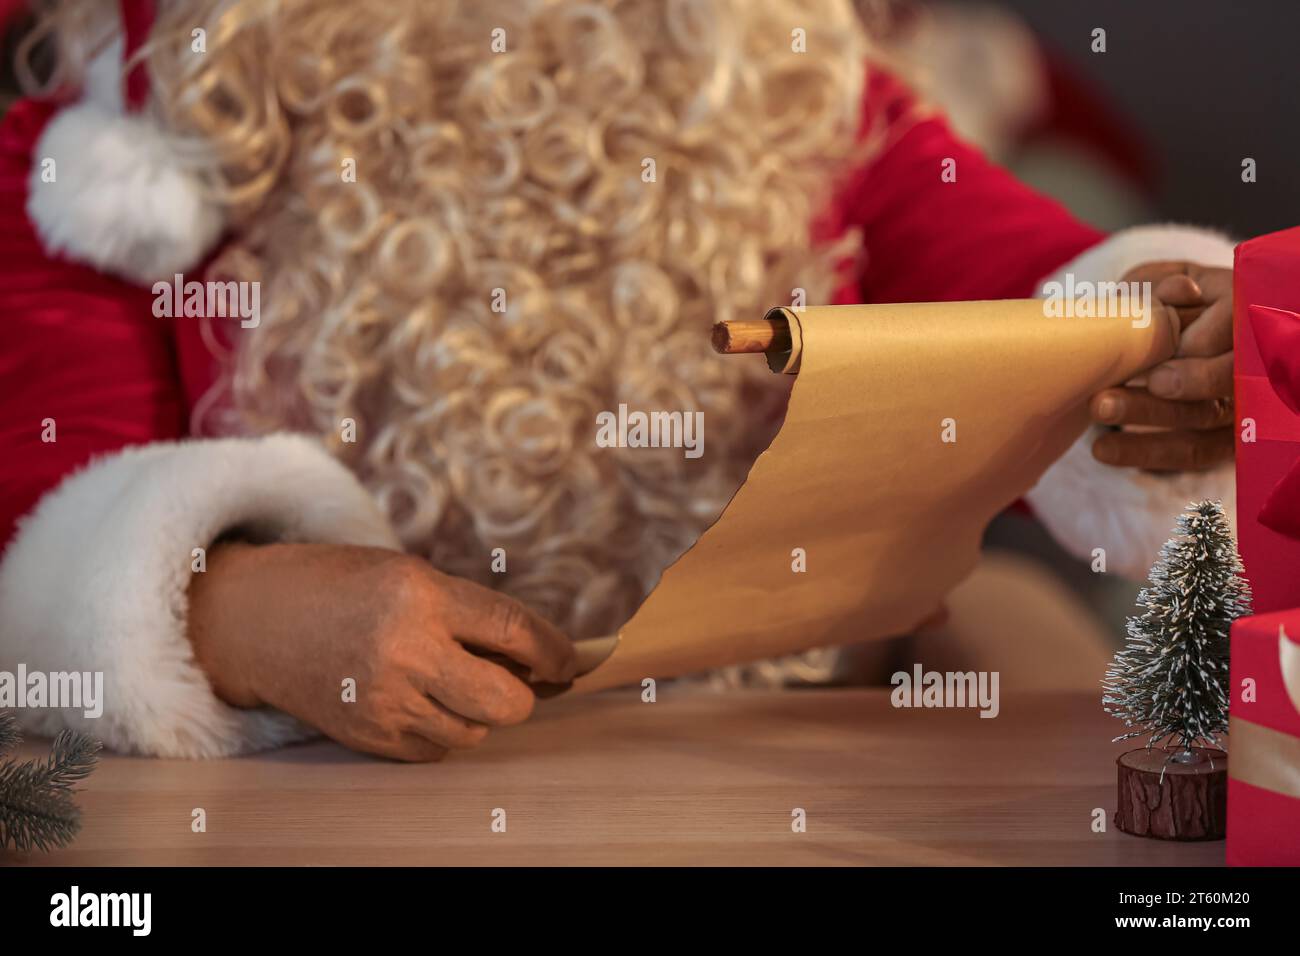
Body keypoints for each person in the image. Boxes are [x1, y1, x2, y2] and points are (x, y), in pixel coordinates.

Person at [0, 0, 1234, 760]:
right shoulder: (138, 115)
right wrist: (235, 614)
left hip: (775, 766)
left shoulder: (791, 70)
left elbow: (1034, 296)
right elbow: (42, 528)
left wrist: (1154, 350)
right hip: (347, 788)